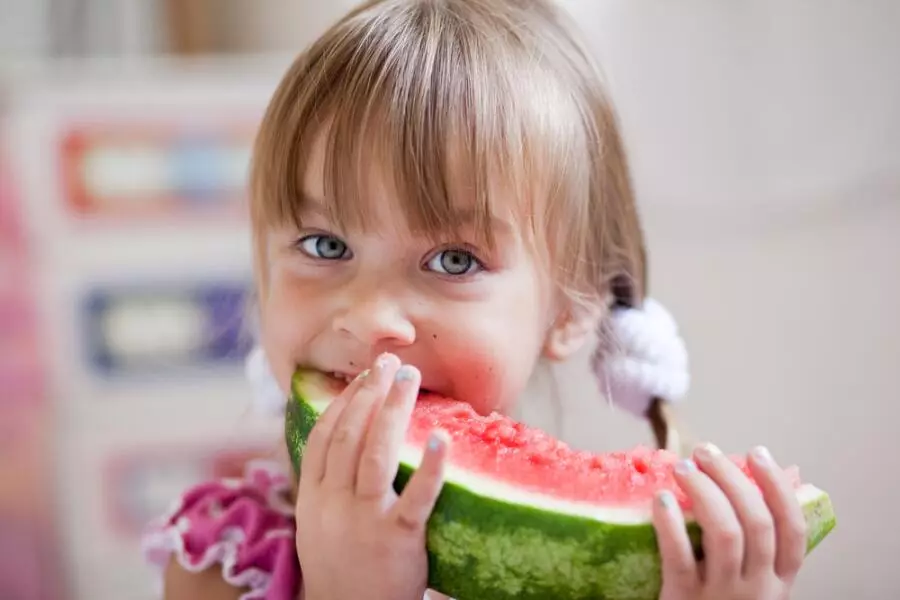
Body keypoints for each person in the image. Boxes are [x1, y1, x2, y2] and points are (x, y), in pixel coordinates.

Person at [142, 0, 810, 598]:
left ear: (571, 308)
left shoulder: (617, 571)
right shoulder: (219, 561)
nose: (373, 317)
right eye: (323, 245)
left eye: (453, 260)